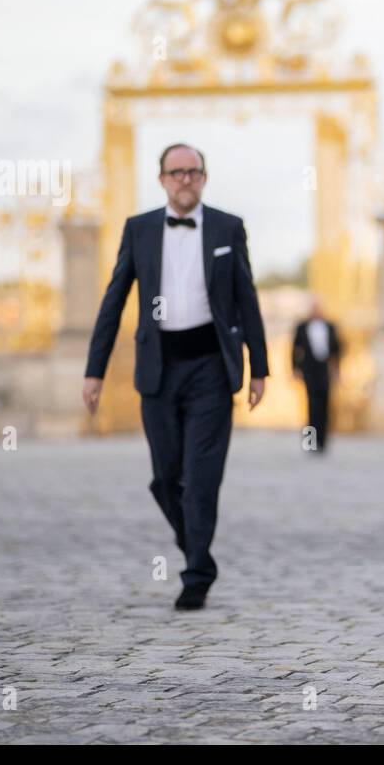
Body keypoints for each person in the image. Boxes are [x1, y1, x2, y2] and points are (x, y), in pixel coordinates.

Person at [82, 142, 269, 610]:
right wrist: (94, 371)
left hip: (211, 366)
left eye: (194, 172)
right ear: (162, 179)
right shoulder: (140, 229)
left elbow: (246, 298)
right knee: (166, 477)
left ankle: (196, 573)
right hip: (159, 369)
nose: (185, 179)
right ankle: (197, 548)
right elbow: (113, 301)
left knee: (201, 478)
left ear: (204, 178)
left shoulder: (229, 227)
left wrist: (259, 367)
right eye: (176, 172)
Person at [291, 298, 341, 453]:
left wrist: (337, 370)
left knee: (325, 406)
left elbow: (337, 350)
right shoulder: (301, 327)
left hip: (324, 368)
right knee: (311, 406)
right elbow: (294, 350)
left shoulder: (330, 326)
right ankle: (310, 443)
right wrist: (295, 369)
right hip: (308, 369)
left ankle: (323, 443)